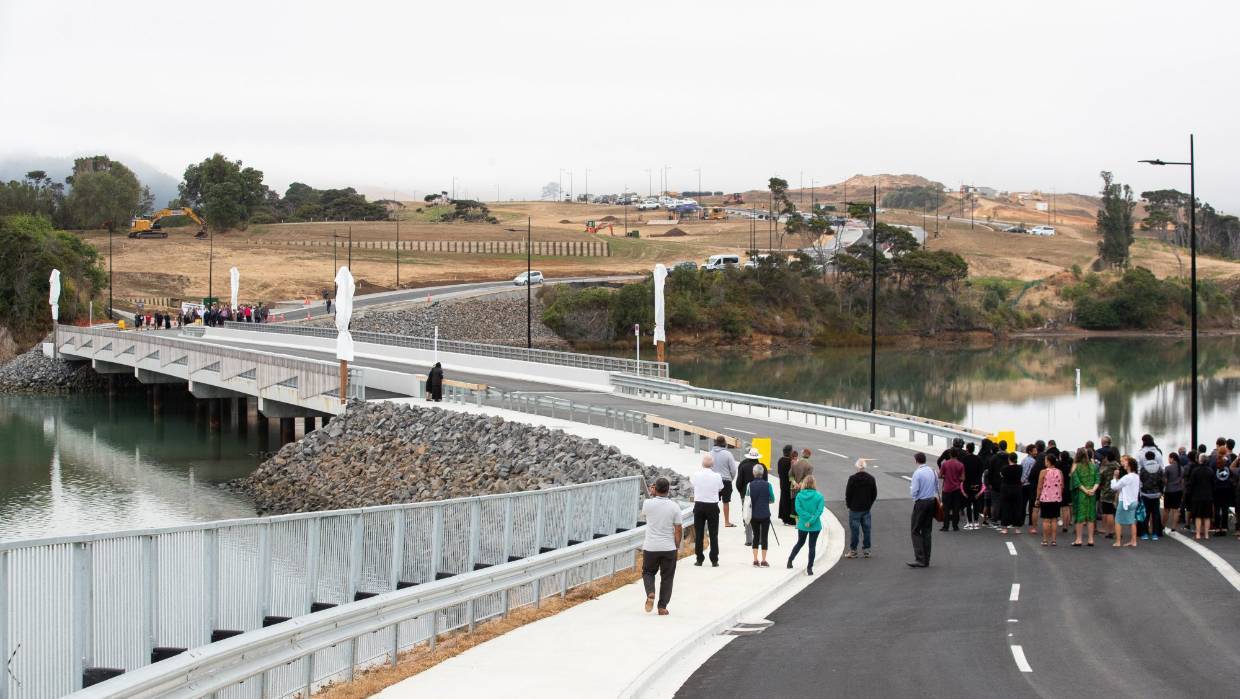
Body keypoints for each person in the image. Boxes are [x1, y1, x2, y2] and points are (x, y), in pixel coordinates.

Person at [641, 478, 682, 616]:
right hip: (668, 547)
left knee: (648, 572)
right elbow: (678, 529)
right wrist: (676, 545)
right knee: (667, 577)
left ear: (655, 489)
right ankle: (662, 607)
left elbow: (645, 514)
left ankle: (650, 592)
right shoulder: (674, 506)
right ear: (668, 489)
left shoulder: (647, 504)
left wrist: (652, 494)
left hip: (651, 546)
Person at [786, 475, 824, 575]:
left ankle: (790, 560)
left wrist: (806, 519)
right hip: (815, 525)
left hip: (802, 523)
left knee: (800, 543)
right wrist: (811, 520)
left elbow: (798, 510)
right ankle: (809, 568)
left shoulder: (799, 496)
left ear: (804, 484)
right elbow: (819, 511)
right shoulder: (819, 496)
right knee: (812, 546)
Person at [690, 455, 723, 567]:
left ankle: (699, 558)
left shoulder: (696, 475)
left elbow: (694, 485)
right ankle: (714, 559)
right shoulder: (717, 476)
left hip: (699, 505)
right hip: (712, 506)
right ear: (712, 464)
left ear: (702, 464)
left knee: (699, 533)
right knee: (713, 534)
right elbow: (720, 488)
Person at [907, 452, 938, 568]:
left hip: (921, 502)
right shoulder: (932, 471)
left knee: (915, 530)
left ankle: (920, 558)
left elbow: (914, 490)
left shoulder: (917, 473)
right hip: (931, 501)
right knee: (927, 531)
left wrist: (915, 499)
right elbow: (937, 487)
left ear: (916, 461)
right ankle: (926, 559)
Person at [844, 459, 877, 558]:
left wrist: (849, 505)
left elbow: (848, 494)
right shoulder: (871, 478)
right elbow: (874, 494)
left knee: (855, 531)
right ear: (865, 467)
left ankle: (853, 551)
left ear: (857, 466)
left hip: (854, 508)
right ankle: (867, 550)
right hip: (866, 508)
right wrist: (869, 503)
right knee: (867, 529)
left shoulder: (852, 479)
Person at [746, 464, 775, 567]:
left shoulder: (749, 485)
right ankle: (763, 560)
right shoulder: (768, 485)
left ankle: (755, 559)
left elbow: (747, 500)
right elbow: (772, 499)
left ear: (754, 473)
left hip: (754, 514)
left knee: (756, 536)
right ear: (762, 473)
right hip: (765, 514)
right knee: (764, 537)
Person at [736, 446, 765, 547]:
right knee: (760, 515)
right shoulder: (762, 466)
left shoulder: (743, 466)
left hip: (746, 495)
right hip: (760, 495)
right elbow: (766, 482)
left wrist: (741, 493)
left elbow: (738, 482)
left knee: (747, 515)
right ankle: (760, 539)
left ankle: (748, 539)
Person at [1070, 447, 1099, 546]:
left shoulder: (1076, 466)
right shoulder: (1094, 466)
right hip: (1092, 493)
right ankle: (1091, 539)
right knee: (1091, 516)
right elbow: (1097, 479)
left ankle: (1079, 539)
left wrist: (1085, 490)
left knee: (1080, 516)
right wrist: (1093, 490)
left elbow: (1076, 481)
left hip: (1081, 494)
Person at [1111, 456, 1141, 547]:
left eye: (1125, 462)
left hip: (1125, 501)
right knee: (1132, 521)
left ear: (1129, 465)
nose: (1123, 464)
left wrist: (1114, 477)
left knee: (1118, 521)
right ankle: (1133, 541)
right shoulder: (1136, 476)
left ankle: (1118, 541)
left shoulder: (1127, 477)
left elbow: (1114, 487)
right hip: (1134, 501)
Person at [709, 436, 739, 528]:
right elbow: (733, 470)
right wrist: (731, 478)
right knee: (726, 502)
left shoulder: (710, 453)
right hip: (726, 480)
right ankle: (726, 521)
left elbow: (707, 467)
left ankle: (713, 521)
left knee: (713, 502)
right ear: (724, 443)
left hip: (713, 480)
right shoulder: (728, 454)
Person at [1034, 453, 1064, 546]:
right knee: (1054, 519)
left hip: (1046, 498)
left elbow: (1039, 486)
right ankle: (1054, 540)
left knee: (1046, 520)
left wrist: (1037, 498)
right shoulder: (1060, 472)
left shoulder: (1043, 472)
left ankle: (1045, 540)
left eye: (1046, 460)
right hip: (1056, 498)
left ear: (1048, 461)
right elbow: (1062, 486)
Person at [1186, 452, 1215, 540]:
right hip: (1208, 495)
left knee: (1198, 516)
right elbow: (1213, 484)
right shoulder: (1211, 471)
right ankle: (1206, 534)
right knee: (1207, 516)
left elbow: (1191, 483)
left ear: (1200, 460)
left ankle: (1198, 534)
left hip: (1197, 495)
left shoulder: (1195, 470)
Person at [939, 449, 965, 532]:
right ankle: (955, 526)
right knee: (956, 508)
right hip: (956, 489)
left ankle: (945, 527)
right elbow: (963, 478)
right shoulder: (961, 465)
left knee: (946, 508)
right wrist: (957, 479)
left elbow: (940, 475)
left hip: (947, 489)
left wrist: (945, 477)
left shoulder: (945, 464)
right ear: (957, 455)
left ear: (950, 455)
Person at [1000, 452, 1024, 535]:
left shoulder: (1004, 468)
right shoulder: (1020, 468)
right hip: (1017, 489)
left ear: (1009, 459)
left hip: (1006, 489)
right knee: (1017, 508)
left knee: (1006, 508)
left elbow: (1002, 476)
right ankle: (1017, 528)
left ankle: (1005, 528)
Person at [961, 442, 984, 530]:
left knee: (968, 503)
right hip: (977, 483)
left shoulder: (964, 459)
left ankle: (970, 523)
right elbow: (981, 471)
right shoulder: (978, 459)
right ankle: (977, 522)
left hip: (967, 483)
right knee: (976, 503)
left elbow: (962, 472)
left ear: (967, 449)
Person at [1163, 451, 1185, 534]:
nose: (1168, 460)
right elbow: (1182, 481)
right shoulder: (1182, 468)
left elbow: (1165, 480)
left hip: (1169, 490)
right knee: (1176, 510)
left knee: (1166, 510)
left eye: (1169, 458)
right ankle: (1173, 528)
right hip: (1178, 490)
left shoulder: (1168, 468)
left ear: (1172, 458)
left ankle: (1163, 526)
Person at [1098, 455, 1120, 539]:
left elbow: (1101, 480)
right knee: (1115, 512)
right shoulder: (1119, 467)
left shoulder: (1105, 468)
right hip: (1117, 491)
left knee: (1107, 512)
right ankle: (1116, 530)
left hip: (1107, 491)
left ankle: (1109, 531)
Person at [1020, 443, 1041, 534]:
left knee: (1023, 503)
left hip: (1023, 484)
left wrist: (1021, 481)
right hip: (1029, 484)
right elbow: (1029, 472)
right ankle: (1031, 522)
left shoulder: (1024, 460)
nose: (1036, 452)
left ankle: (1021, 520)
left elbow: (1022, 470)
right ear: (1030, 451)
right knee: (1031, 503)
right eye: (1035, 450)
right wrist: (1024, 480)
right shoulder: (1033, 461)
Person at [776, 445, 796, 526]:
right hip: (789, 484)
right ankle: (789, 519)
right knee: (789, 501)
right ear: (790, 452)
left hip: (782, 483)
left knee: (783, 500)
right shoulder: (790, 462)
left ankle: (783, 517)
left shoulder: (780, 460)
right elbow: (792, 473)